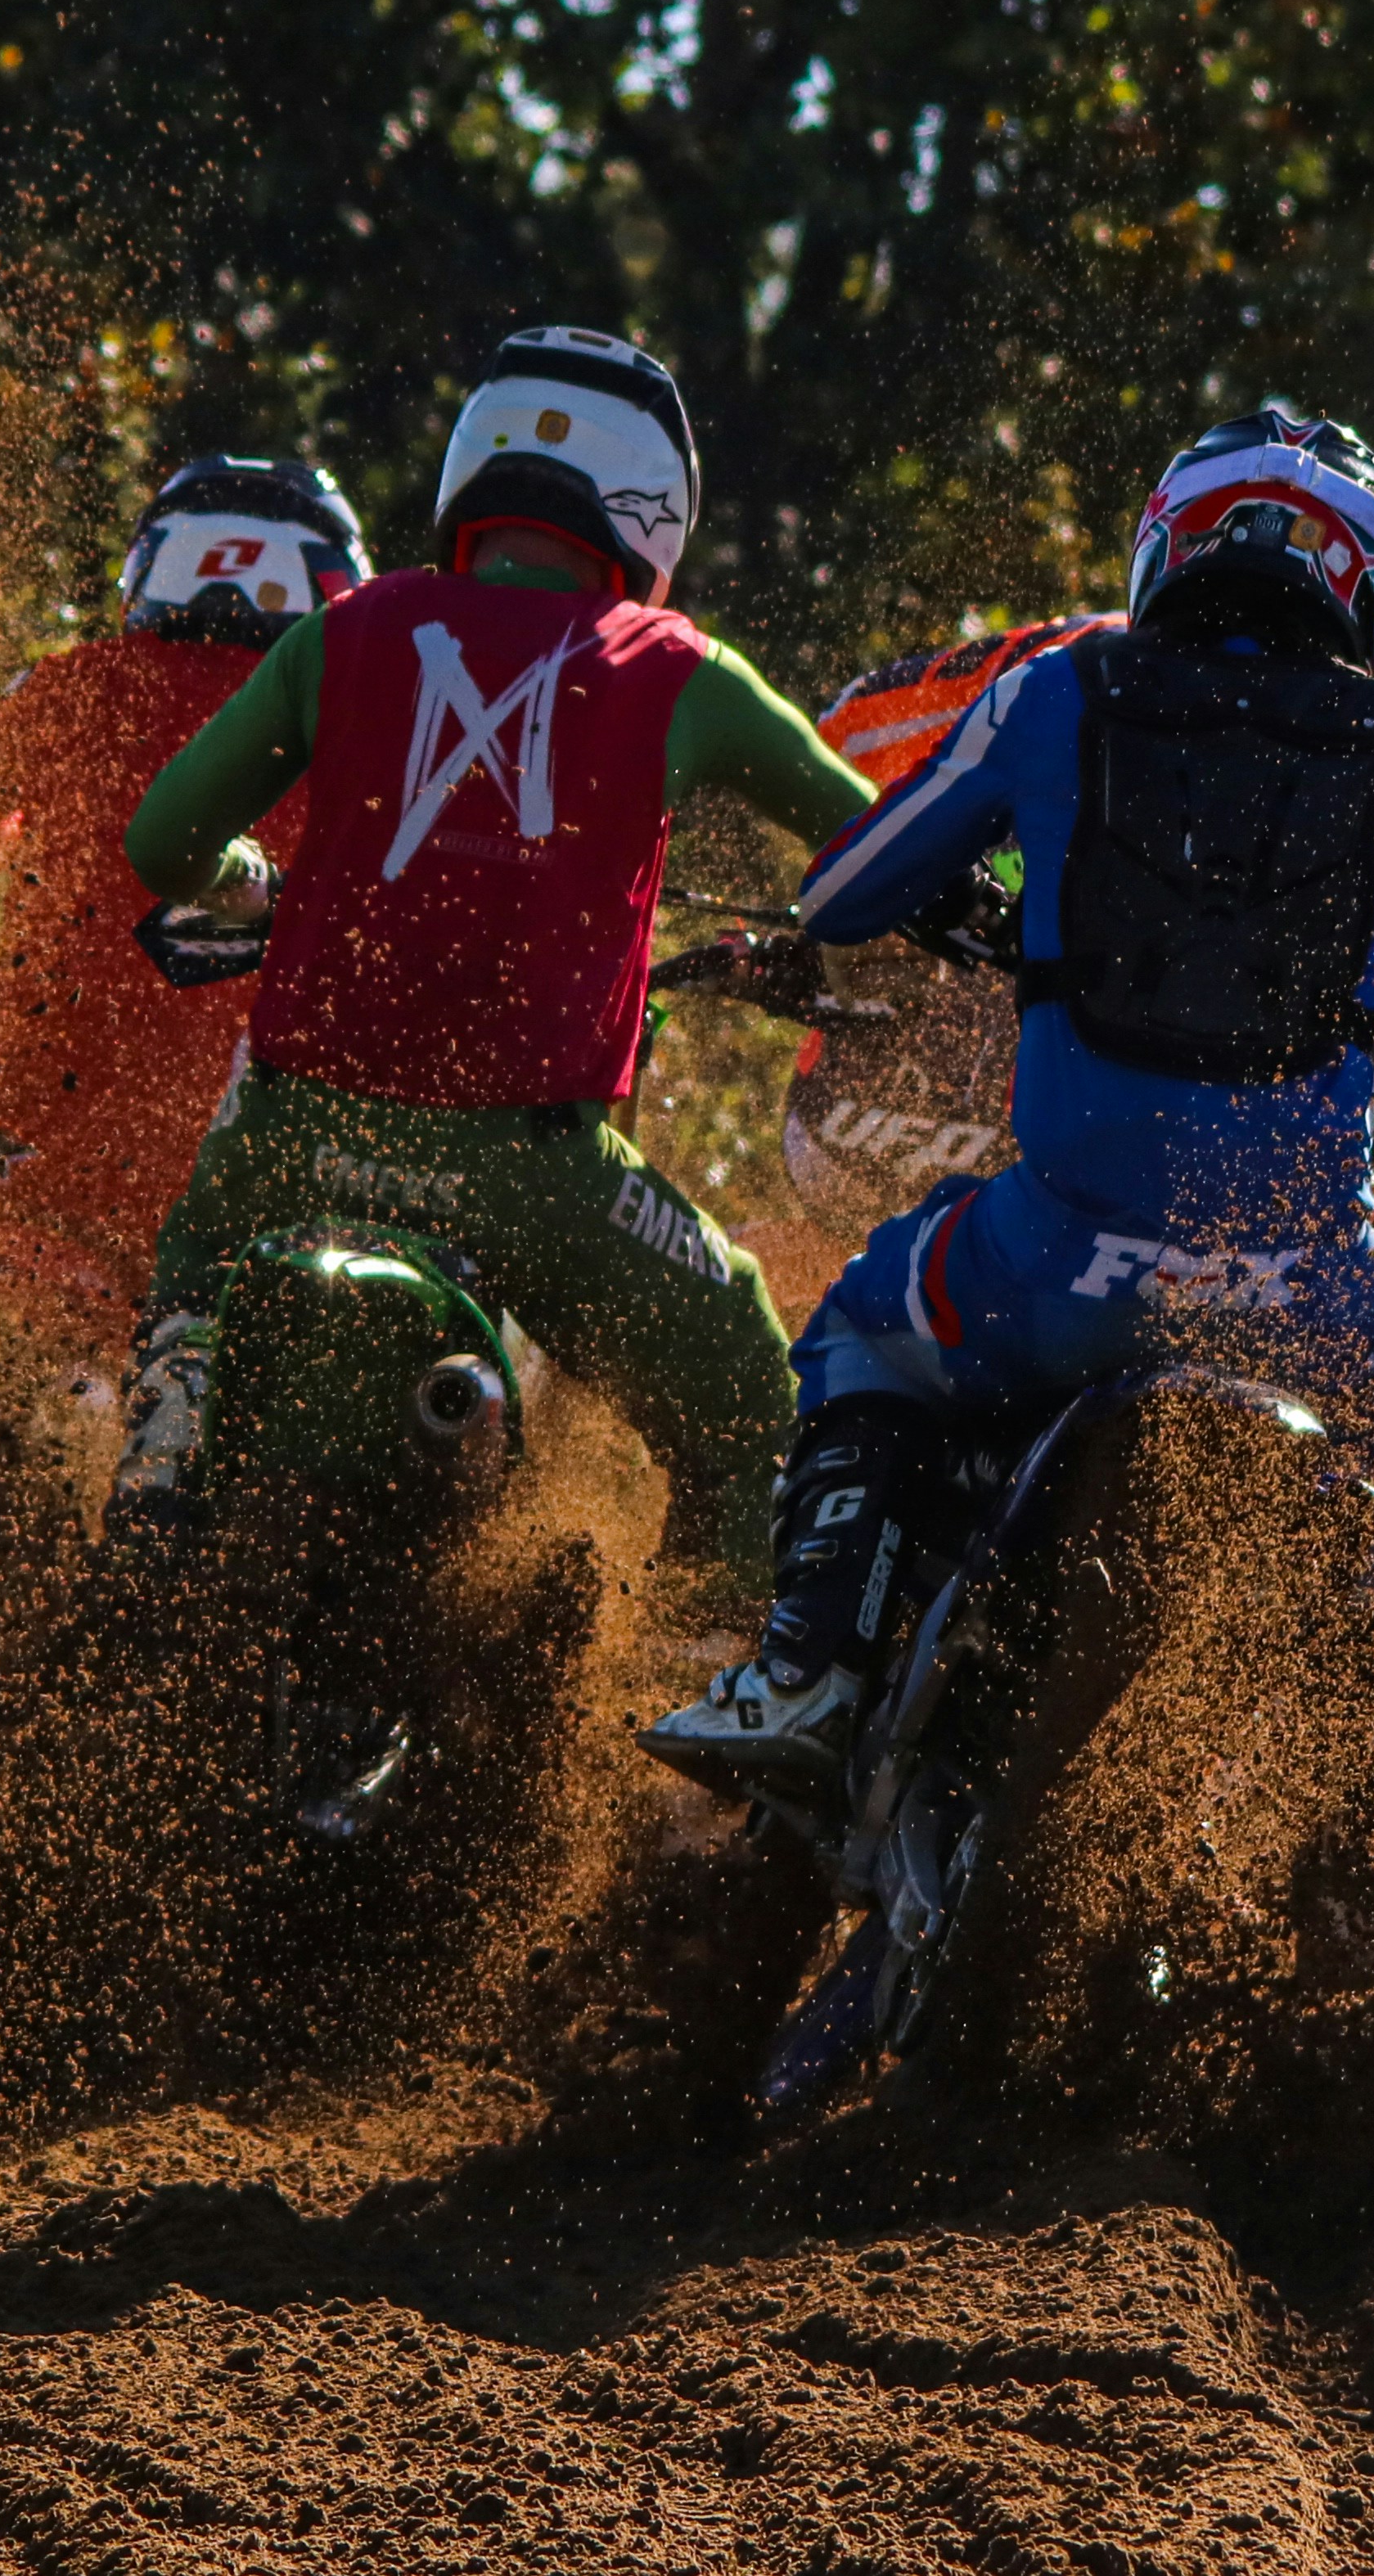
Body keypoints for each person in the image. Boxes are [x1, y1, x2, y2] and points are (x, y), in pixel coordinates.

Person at [642, 406, 1374, 1805]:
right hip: (1304, 1298)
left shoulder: (1060, 692)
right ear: (1370, 595)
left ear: (1166, 548)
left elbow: (837, 893)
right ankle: (1364, 1801)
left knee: (861, 1329)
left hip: (1055, 1261)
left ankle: (806, 1674)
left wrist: (955, 900)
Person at [104, 327, 876, 1644]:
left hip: (292, 1135)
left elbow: (160, 844)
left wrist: (255, 888)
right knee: (744, 1382)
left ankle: (182, 1371)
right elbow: (881, 844)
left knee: (195, 1264)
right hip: (530, 1182)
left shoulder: (348, 628)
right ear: (657, 505)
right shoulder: (675, 667)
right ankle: (706, 1724)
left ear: (477, 468)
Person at [770, 521, 1374, 1245]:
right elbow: (843, 729)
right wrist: (909, 876)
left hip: (1033, 1143)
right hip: (894, 1119)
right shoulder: (1096, 670)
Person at [0, 454, 352, 1330]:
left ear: (157, 563)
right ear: (328, 583)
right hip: (229, 1196)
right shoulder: (342, 733)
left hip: (13, 1163)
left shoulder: (73, 685)